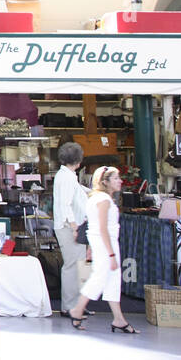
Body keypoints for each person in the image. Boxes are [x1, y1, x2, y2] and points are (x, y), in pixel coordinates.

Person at [68, 166, 138, 333]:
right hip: (106, 243)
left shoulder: (97, 198)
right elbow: (103, 228)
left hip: (101, 242)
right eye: (116, 178)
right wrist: (111, 254)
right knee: (100, 277)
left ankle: (119, 318)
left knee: (111, 278)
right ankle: (77, 309)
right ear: (105, 182)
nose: (120, 181)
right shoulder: (104, 200)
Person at [51, 142, 93, 317]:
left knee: (78, 265)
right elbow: (65, 204)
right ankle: (69, 306)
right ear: (78, 160)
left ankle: (77, 304)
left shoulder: (67, 175)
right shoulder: (67, 177)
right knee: (72, 266)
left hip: (70, 226)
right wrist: (75, 227)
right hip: (69, 227)